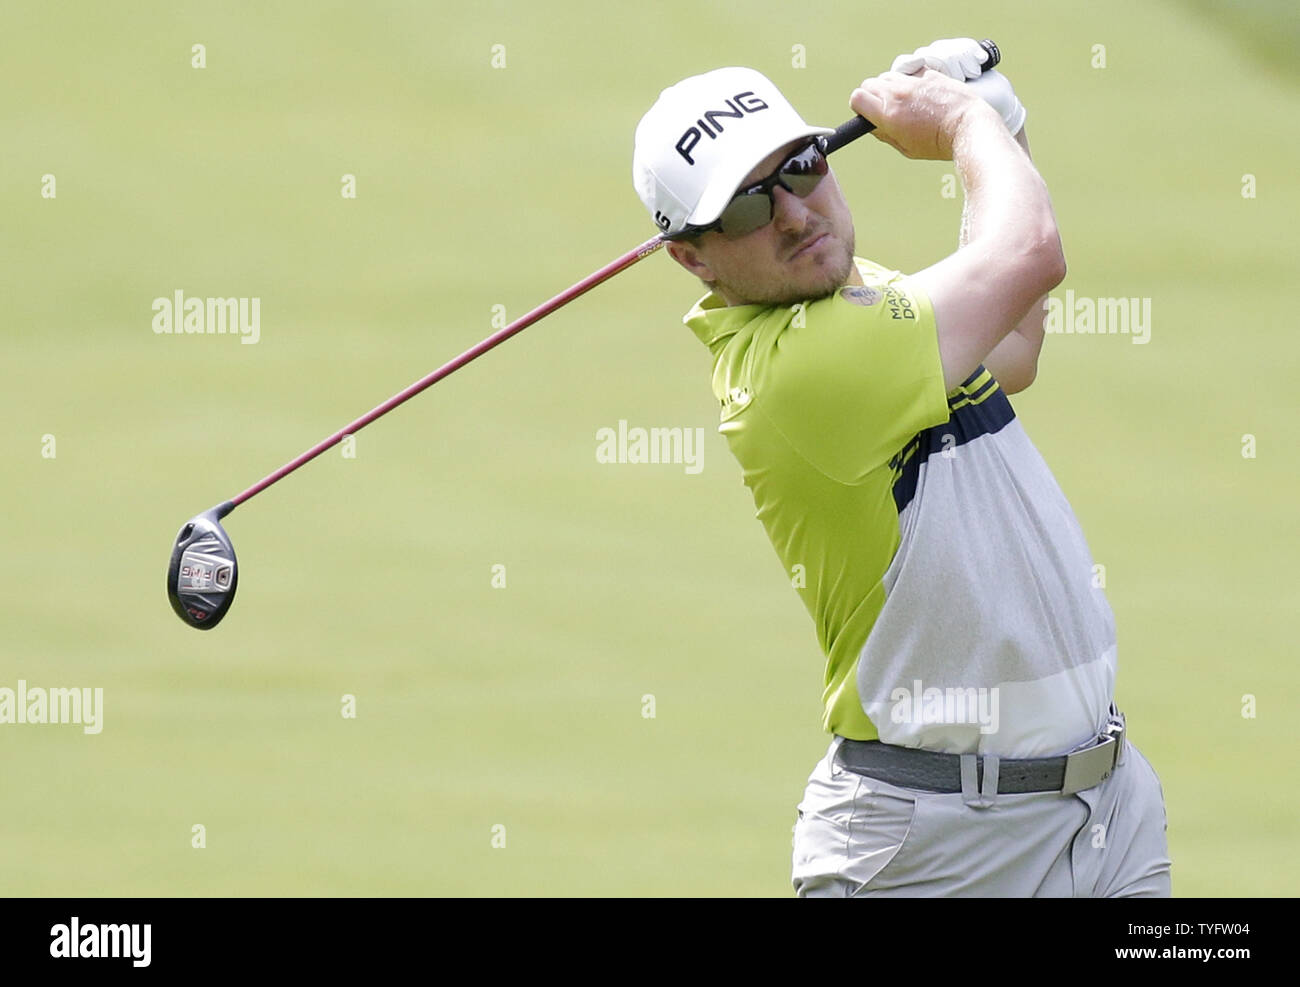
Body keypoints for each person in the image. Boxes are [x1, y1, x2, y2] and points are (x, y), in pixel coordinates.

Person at [631, 38, 1171, 897]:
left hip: (1103, 812)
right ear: (691, 256)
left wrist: (1006, 125)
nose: (793, 215)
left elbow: (1014, 340)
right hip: (934, 850)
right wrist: (965, 120)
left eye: (800, 168)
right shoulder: (799, 368)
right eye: (742, 209)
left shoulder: (850, 301)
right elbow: (1030, 249)